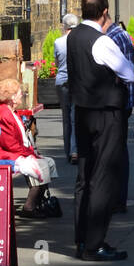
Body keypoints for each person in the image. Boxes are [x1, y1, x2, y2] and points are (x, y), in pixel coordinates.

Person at [66, 0, 134, 262]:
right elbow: (127, 71)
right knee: (103, 177)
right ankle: (96, 244)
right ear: (105, 12)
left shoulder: (72, 37)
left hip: (82, 112)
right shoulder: (101, 41)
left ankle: (82, 238)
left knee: (84, 178)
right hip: (106, 115)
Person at [0, 77, 56, 217]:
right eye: (18, 93)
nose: (21, 95)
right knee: (40, 165)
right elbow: (9, 144)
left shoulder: (13, 112)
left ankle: (37, 200)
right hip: (6, 154)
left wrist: (31, 152)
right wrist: (30, 154)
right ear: (11, 97)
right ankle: (29, 207)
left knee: (49, 162)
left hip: (16, 151)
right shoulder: (5, 113)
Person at [106, 19, 134, 213]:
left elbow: (122, 72)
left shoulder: (112, 38)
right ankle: (119, 198)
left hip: (116, 103)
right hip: (123, 102)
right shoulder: (121, 35)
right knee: (119, 149)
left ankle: (116, 199)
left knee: (114, 151)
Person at [54, 13, 79, 163]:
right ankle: (75, 150)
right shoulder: (80, 41)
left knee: (66, 118)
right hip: (76, 82)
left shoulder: (58, 42)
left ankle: (67, 152)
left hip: (62, 81)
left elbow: (57, 62)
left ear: (64, 26)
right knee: (75, 117)